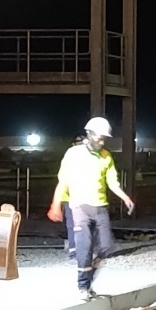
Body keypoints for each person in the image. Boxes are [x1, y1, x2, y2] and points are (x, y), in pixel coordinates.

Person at [47, 117, 135, 300]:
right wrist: (56, 205)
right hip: (80, 207)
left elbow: (112, 182)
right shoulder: (73, 154)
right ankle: (83, 286)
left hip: (100, 208)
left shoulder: (106, 156)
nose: (102, 142)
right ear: (89, 134)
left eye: (104, 139)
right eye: (99, 138)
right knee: (84, 247)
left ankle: (88, 277)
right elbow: (63, 182)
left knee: (106, 247)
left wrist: (124, 197)